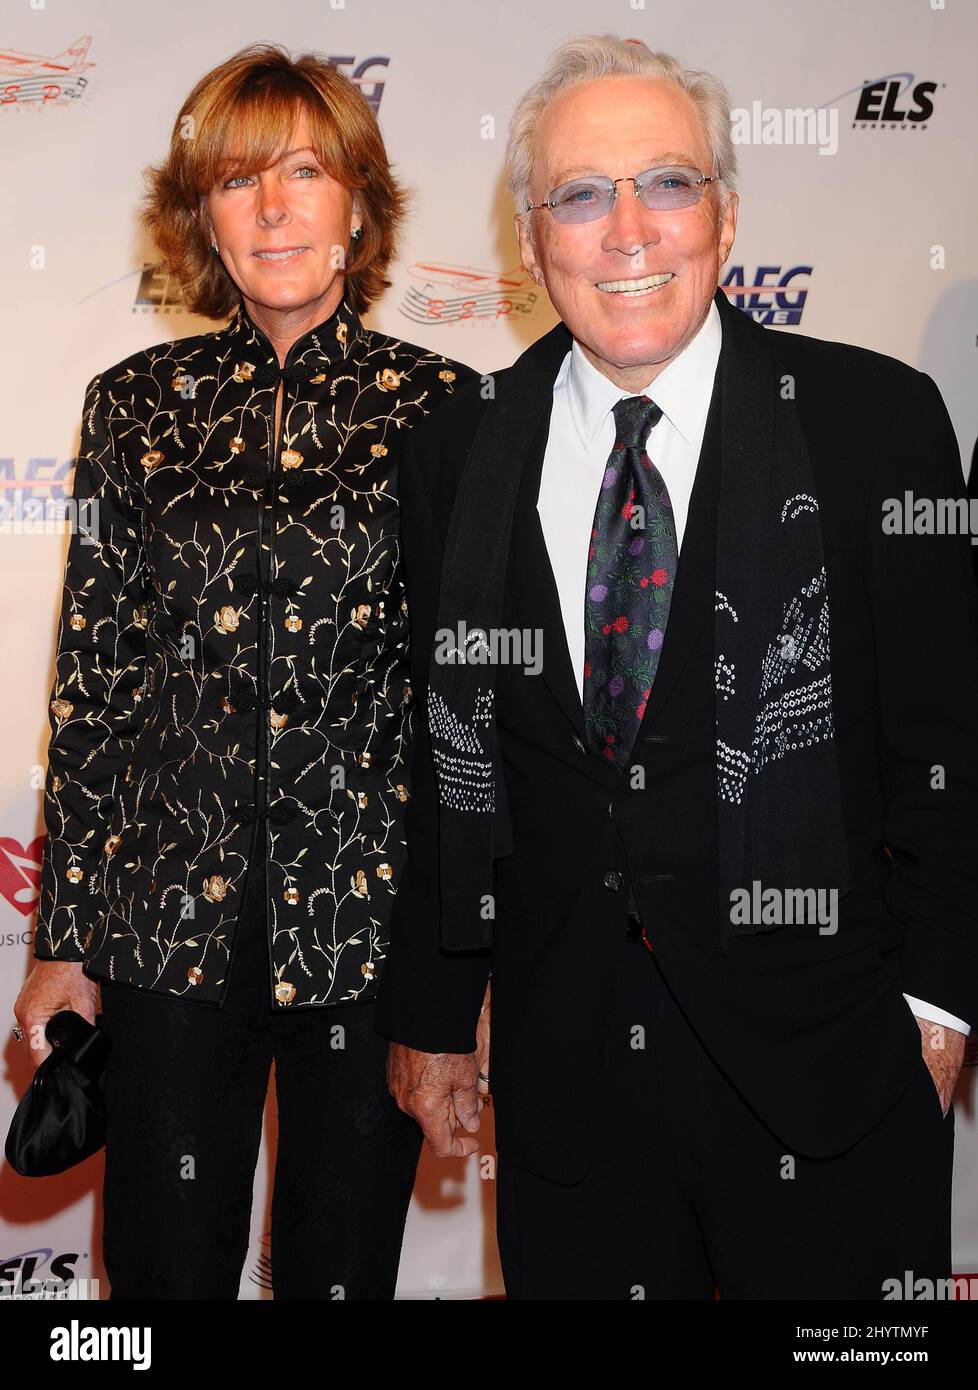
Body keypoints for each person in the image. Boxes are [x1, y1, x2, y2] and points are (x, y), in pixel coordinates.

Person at [374, 34, 978, 1299]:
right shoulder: (455, 455)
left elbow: (951, 747)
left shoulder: (873, 424)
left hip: (832, 1070)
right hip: (572, 1089)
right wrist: (436, 1015)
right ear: (532, 242)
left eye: (669, 182)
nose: (629, 230)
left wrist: (941, 1013)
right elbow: (449, 755)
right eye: (582, 195)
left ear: (728, 212)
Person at [15, 43, 474, 1300]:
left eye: (306, 172)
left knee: (339, 1271)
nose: (272, 207)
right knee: (162, 1277)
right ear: (202, 219)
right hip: (168, 936)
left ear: (360, 208)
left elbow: (468, 710)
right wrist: (63, 938)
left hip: (368, 939)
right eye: (235, 181)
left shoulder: (446, 410)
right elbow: (93, 678)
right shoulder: (132, 406)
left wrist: (466, 964)